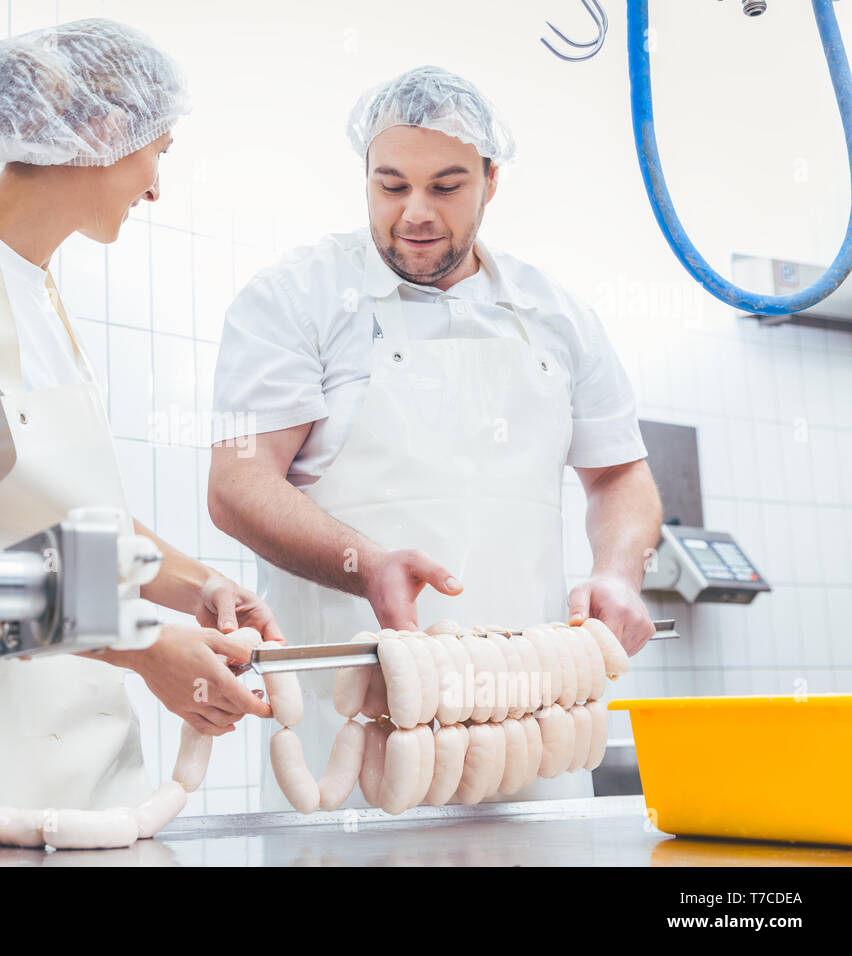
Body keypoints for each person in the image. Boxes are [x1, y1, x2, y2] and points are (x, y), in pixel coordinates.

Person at [0, 18, 282, 829]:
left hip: (94, 773)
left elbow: (79, 526)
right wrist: (142, 646)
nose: (155, 187)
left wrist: (196, 589)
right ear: (106, 132)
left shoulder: (39, 298)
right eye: (161, 150)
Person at [207, 66, 662, 810]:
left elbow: (620, 475)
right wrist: (368, 566)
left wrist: (618, 573)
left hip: (534, 736)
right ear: (364, 176)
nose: (415, 213)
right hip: (358, 743)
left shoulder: (557, 313)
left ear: (491, 180)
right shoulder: (290, 298)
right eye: (391, 186)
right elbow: (237, 485)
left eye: (446, 187)